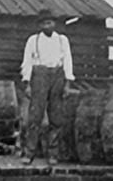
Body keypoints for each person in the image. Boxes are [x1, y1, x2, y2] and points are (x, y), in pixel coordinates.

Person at [20, 8, 76, 165]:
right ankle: (29, 152)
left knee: (56, 117)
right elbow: (27, 62)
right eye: (44, 23)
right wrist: (27, 83)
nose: (47, 25)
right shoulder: (33, 40)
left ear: (55, 24)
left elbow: (68, 62)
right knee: (35, 117)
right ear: (40, 25)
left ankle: (53, 154)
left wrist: (67, 83)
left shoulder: (62, 40)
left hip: (57, 76)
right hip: (39, 76)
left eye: (50, 22)